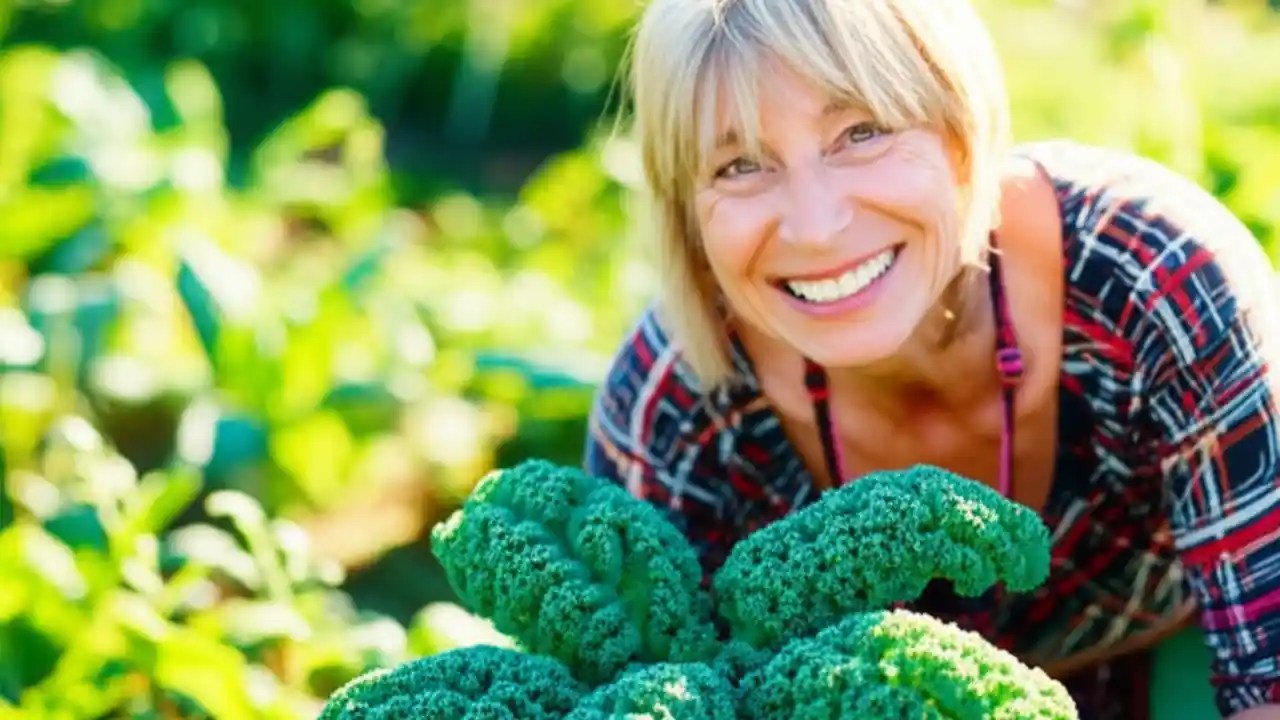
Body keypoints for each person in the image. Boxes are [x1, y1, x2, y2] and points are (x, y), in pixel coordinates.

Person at [582, 0, 1280, 717]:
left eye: (862, 132)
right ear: (688, 215)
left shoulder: (1153, 279)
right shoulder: (672, 401)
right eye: (739, 165)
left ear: (959, 132)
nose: (817, 228)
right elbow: (644, 688)